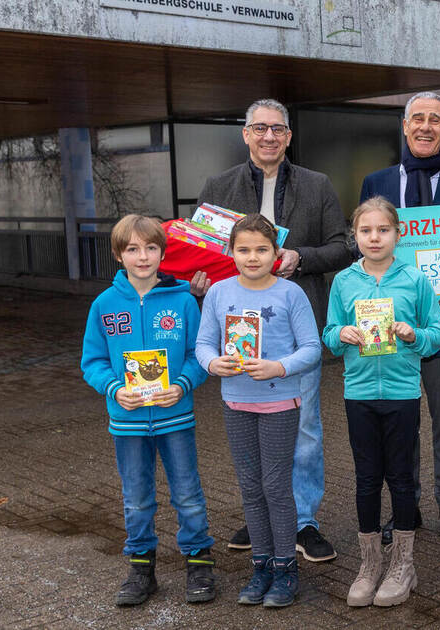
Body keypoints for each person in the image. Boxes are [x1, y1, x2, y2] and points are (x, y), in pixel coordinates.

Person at [197, 98, 349, 563]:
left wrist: (300, 257)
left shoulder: (317, 184)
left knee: (303, 429)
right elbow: (202, 250)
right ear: (245, 134)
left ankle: (303, 520)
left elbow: (343, 246)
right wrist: (198, 281)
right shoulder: (218, 186)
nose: (268, 137)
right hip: (240, 334)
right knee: (250, 428)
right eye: (259, 128)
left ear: (288, 136)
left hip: (293, 330)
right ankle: (261, 514)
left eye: (277, 129)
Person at [359, 91, 440, 543]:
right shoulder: (376, 184)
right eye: (418, 119)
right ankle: (405, 506)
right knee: (399, 422)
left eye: (435, 120)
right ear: (405, 126)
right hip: (389, 326)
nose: (426, 126)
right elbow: (365, 249)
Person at [81, 215, 215, 607]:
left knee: (188, 493)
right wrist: (115, 388)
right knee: (136, 497)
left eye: (151, 248)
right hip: (128, 422)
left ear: (163, 252)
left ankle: (199, 562)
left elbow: (197, 354)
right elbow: (92, 361)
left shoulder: (184, 300)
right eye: (133, 249)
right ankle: (141, 567)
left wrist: (183, 384)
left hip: (176, 417)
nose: (143, 256)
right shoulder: (104, 305)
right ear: (118, 255)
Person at [323, 196, 440, 608]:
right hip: (358, 395)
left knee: (400, 478)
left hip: (402, 395)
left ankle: (403, 566)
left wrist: (414, 335)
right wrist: (340, 335)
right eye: (365, 230)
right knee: (365, 479)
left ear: (398, 233)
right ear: (355, 236)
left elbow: (438, 334)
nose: (374, 237)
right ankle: (370, 564)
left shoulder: (414, 279)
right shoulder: (343, 282)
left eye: (383, 230)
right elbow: (328, 333)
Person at [196, 214, 322, 608]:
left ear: (276, 253)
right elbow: (203, 343)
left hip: (279, 402)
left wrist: (278, 367)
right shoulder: (218, 293)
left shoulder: (290, 294)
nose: (252, 257)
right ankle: (261, 565)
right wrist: (212, 364)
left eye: (261, 249)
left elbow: (312, 349)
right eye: (244, 249)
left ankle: (286, 569)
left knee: (275, 486)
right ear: (230, 251)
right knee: (250, 487)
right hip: (236, 402)